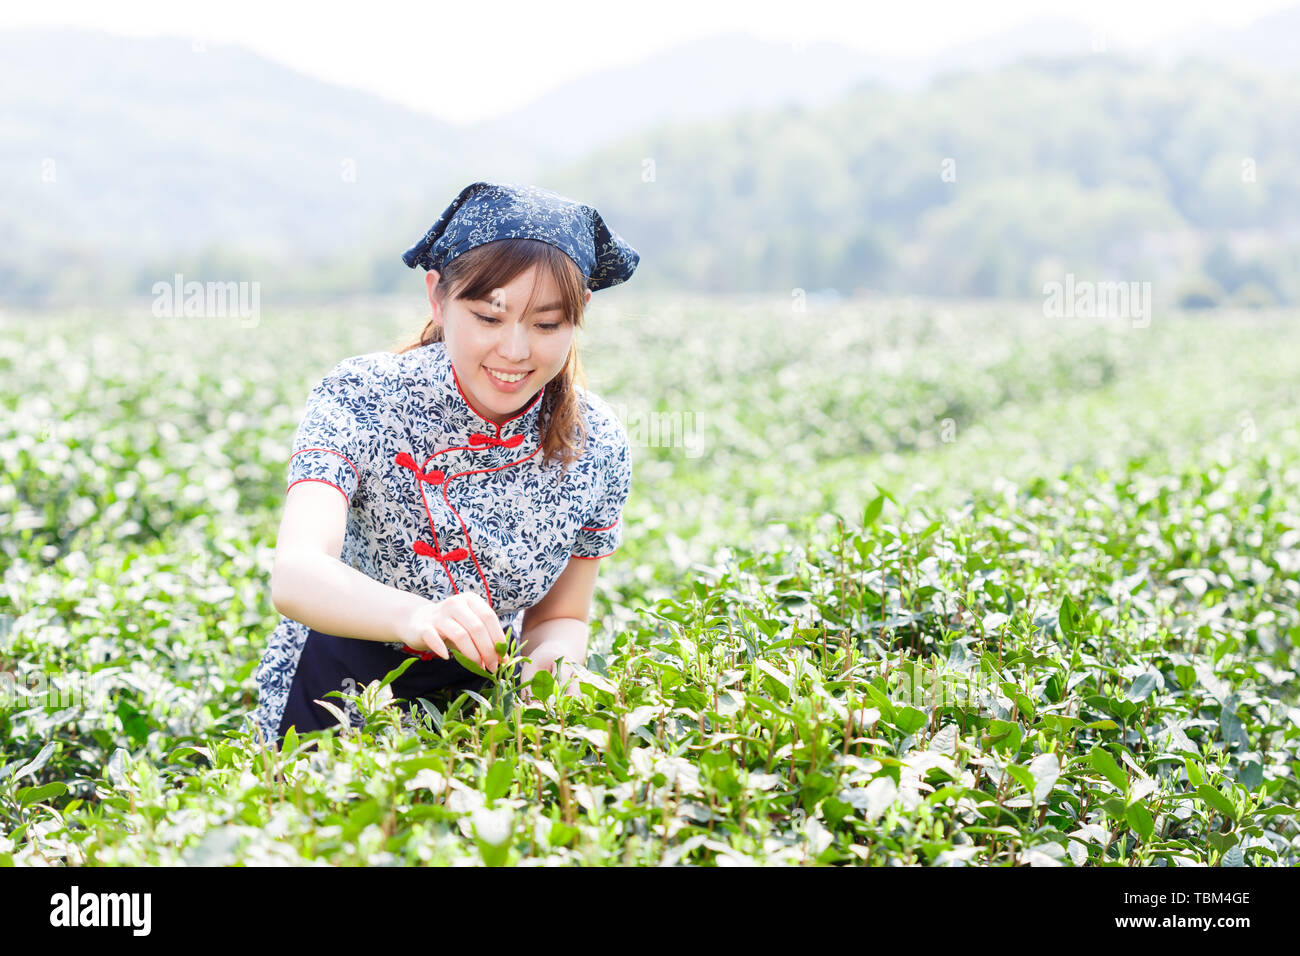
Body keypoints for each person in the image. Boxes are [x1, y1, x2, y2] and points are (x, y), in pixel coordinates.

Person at [245, 181, 640, 749]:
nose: (515, 350)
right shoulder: (364, 394)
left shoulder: (595, 443)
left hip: (479, 711)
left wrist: (549, 686)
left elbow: (560, 619)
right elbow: (297, 573)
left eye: (547, 324)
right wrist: (417, 618)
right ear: (437, 297)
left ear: (578, 317)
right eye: (488, 316)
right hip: (337, 690)